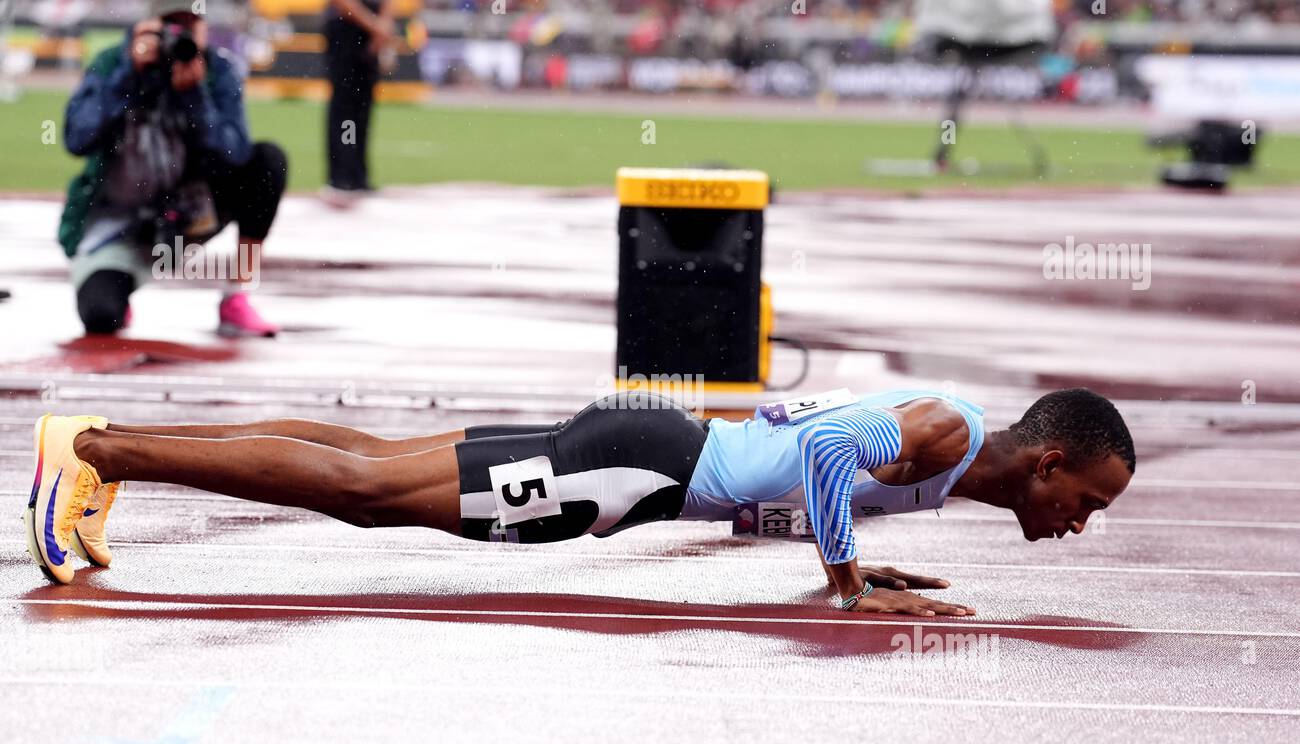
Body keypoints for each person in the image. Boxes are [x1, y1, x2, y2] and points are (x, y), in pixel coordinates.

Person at [24, 387, 1134, 618]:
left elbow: (809, 458)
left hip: (644, 455)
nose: (1079, 523)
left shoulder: (955, 450)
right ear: (1046, 464)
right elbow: (836, 446)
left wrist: (845, 555)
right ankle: (88, 448)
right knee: (365, 494)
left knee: (363, 459)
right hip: (638, 472)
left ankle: (107, 450)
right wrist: (844, 584)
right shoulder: (950, 429)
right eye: (1087, 500)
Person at [58, 0, 284, 337]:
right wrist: (129, 77)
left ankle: (237, 295)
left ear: (204, 29)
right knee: (101, 317)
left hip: (188, 215)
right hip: (123, 224)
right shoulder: (112, 63)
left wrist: (193, 99)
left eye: (190, 26)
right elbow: (77, 138)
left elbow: (235, 154)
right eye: (170, 26)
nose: (179, 36)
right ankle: (120, 285)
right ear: (145, 28)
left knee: (267, 161)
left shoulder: (217, 70)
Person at [323, 0, 397, 201]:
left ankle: (358, 174)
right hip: (347, 29)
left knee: (362, 107)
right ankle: (342, 174)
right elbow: (343, 4)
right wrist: (376, 26)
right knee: (345, 108)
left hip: (369, 31)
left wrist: (381, 28)